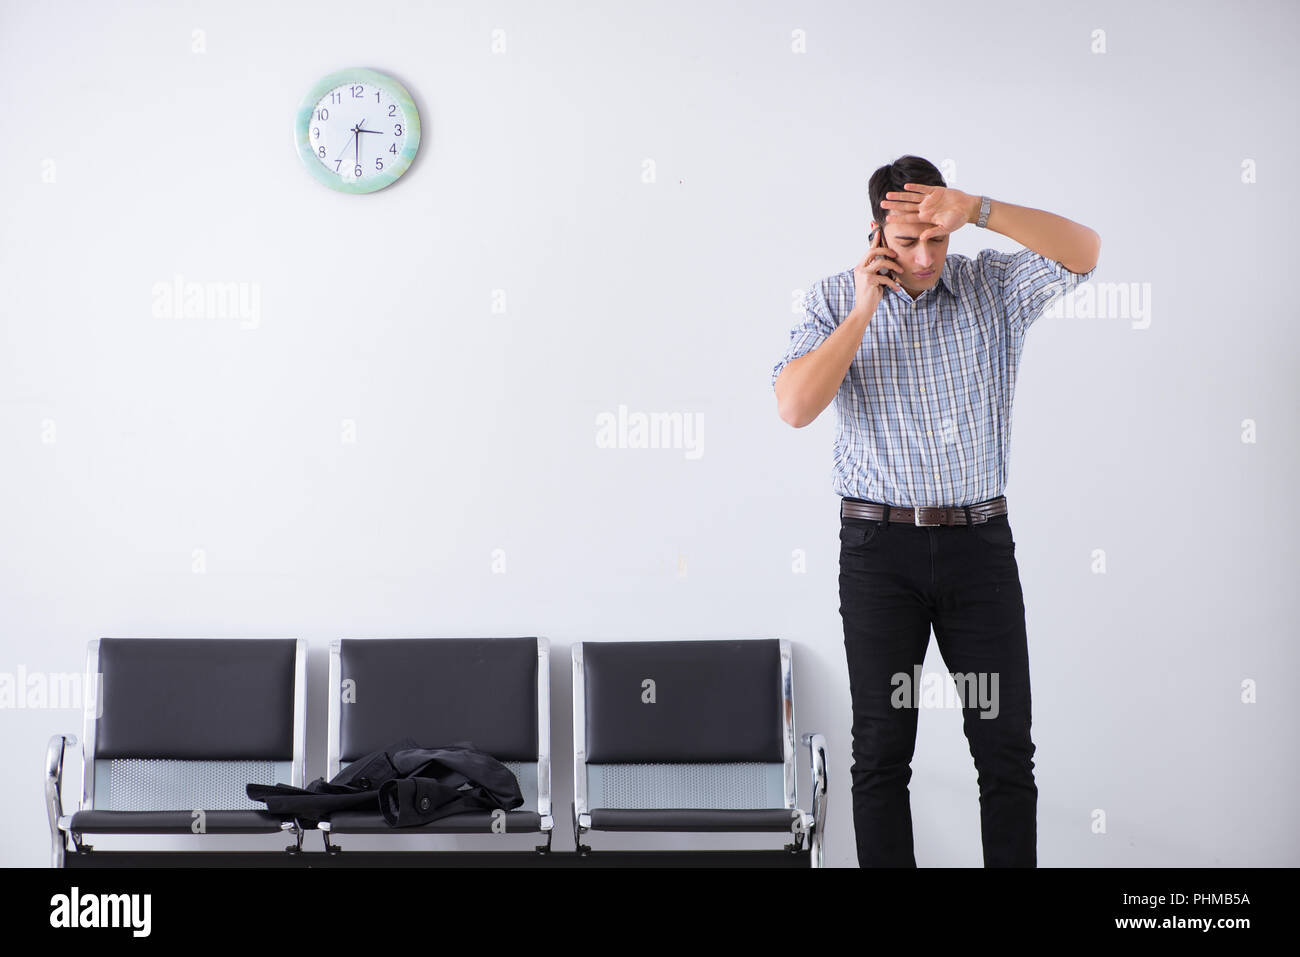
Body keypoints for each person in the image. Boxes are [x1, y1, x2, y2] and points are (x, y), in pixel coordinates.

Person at [770, 155, 1100, 867]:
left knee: (1004, 748)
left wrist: (978, 208)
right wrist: (864, 309)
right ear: (875, 233)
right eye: (908, 241)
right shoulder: (832, 299)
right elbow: (795, 406)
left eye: (936, 239)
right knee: (883, 754)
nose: (924, 258)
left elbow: (1085, 250)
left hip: (978, 548)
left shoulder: (990, 287)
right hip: (877, 553)